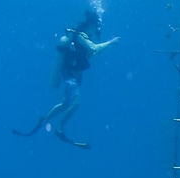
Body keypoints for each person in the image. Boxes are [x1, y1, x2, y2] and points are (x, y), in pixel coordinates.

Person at [14, 13, 118, 147]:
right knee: (76, 103)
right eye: (96, 25)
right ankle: (59, 129)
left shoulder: (81, 37)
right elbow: (94, 47)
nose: (97, 28)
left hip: (71, 75)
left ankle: (44, 120)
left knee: (65, 103)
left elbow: (89, 53)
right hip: (70, 76)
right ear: (91, 24)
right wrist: (111, 42)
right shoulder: (80, 36)